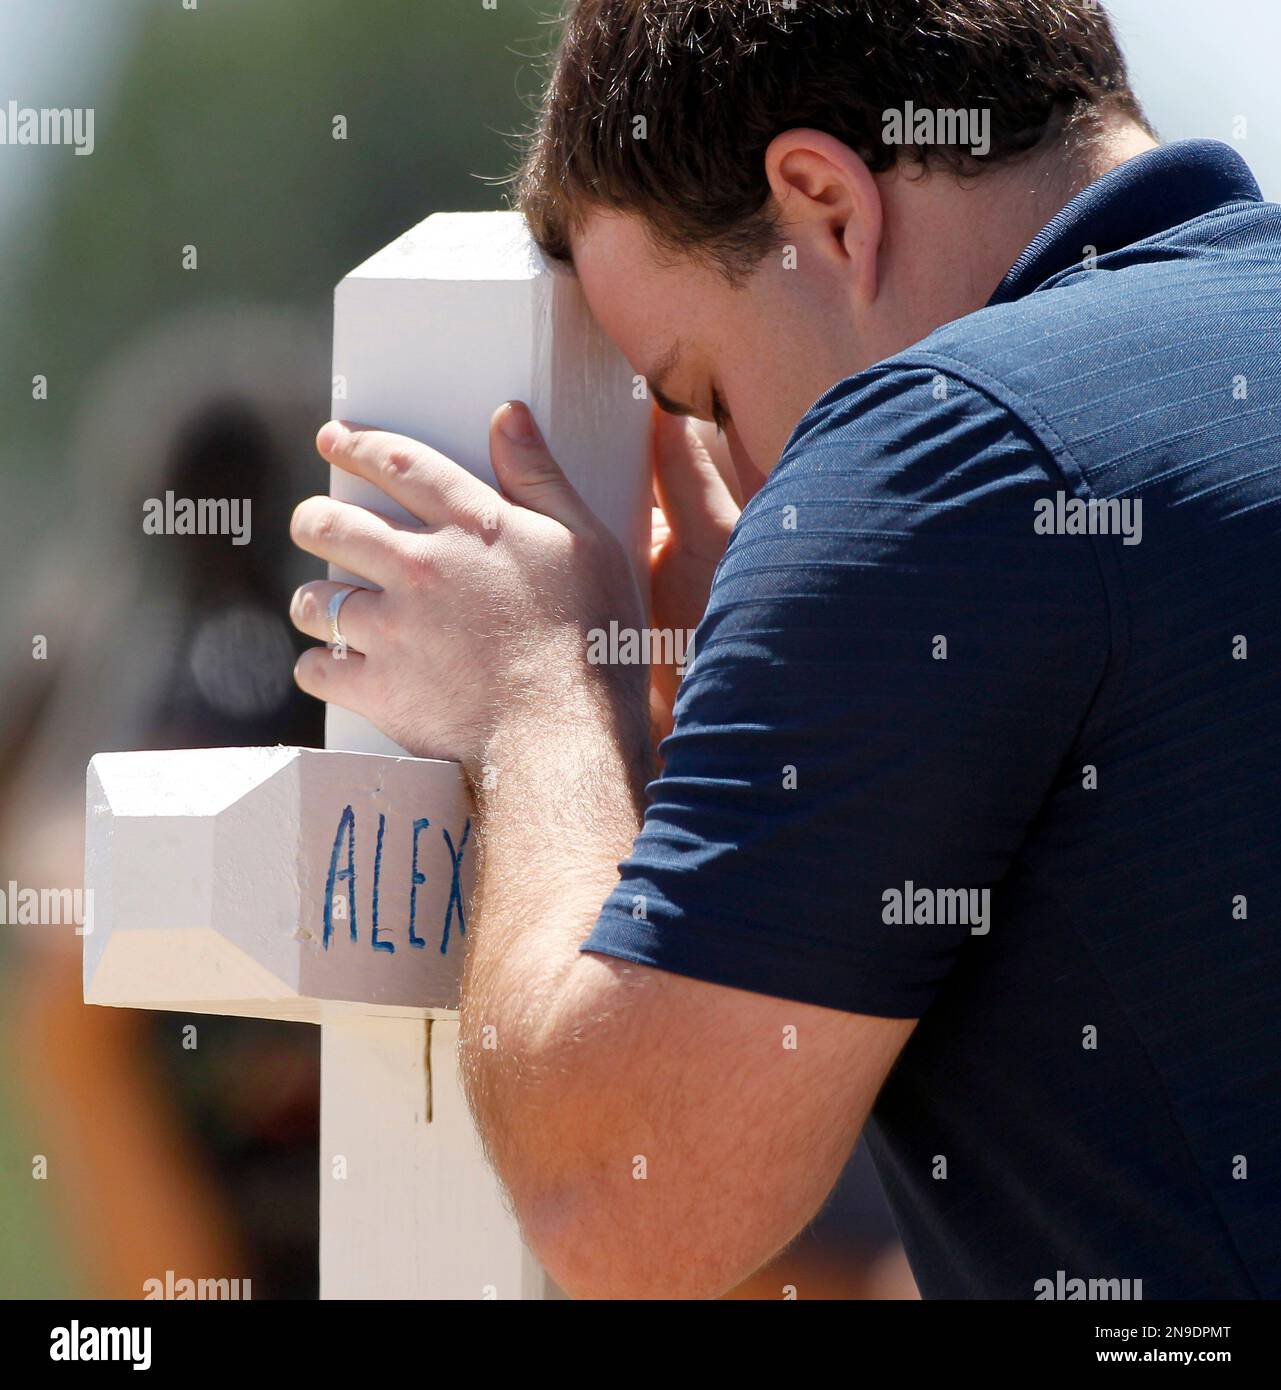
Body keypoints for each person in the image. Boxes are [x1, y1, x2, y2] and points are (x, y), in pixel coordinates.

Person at [287, 1, 1281, 1299]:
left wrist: (540, 696)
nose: (743, 479)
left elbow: (619, 1199)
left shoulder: (935, 448)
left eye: (699, 390)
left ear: (823, 204)